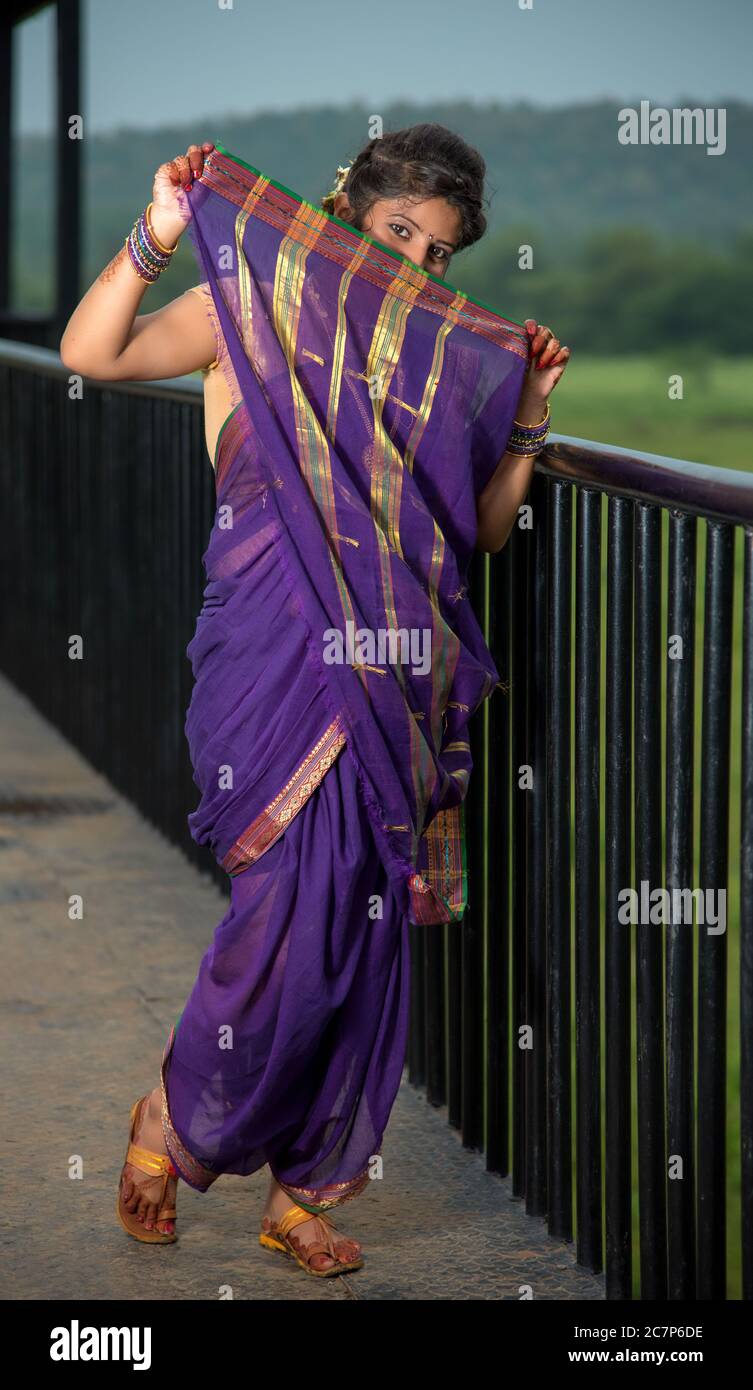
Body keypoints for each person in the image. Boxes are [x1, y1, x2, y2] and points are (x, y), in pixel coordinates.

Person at [59, 124, 569, 1277]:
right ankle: (170, 1119)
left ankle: (301, 1192)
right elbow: (95, 354)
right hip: (267, 671)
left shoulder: (430, 360)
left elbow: (479, 529)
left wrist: (528, 413)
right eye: (400, 235)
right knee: (279, 923)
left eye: (440, 257)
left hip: (388, 681)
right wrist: (163, 229)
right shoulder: (243, 315)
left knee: (362, 933)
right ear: (347, 213)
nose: (417, 267)